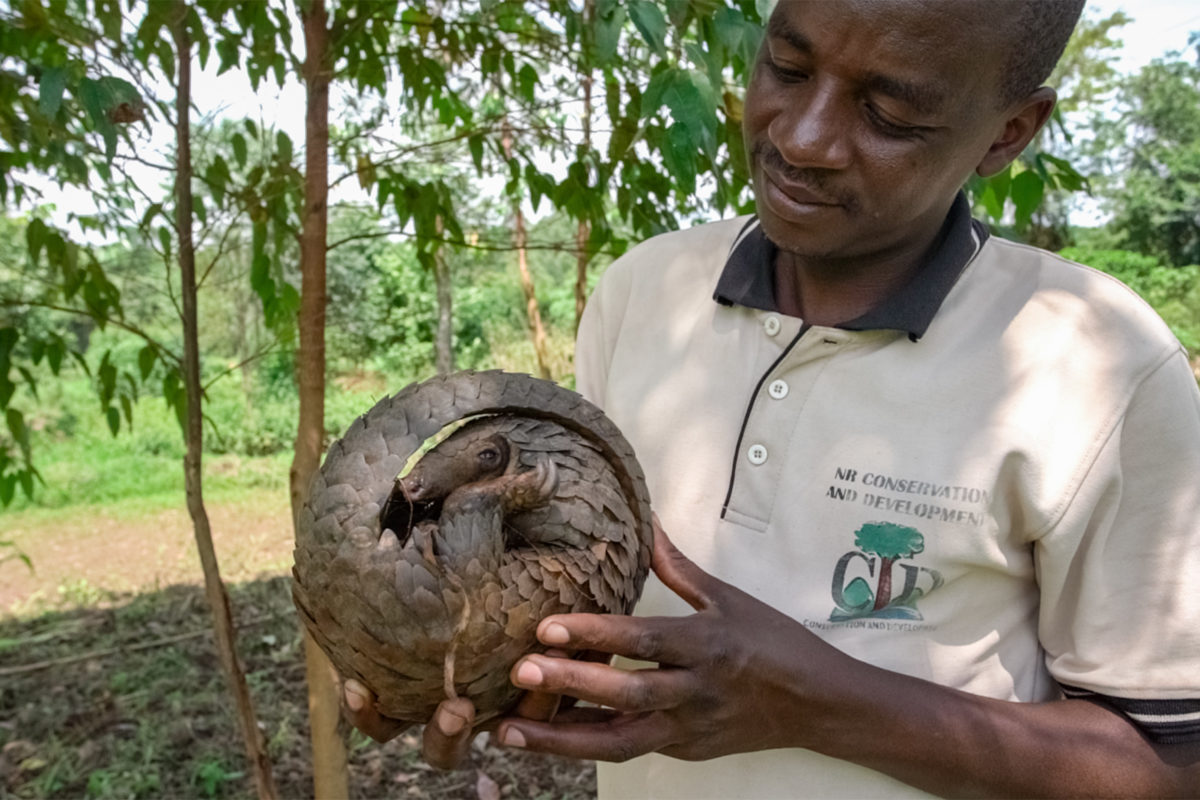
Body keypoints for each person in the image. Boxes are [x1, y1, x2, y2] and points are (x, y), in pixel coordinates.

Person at [346, 0, 1200, 795]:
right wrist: (455, 662)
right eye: (787, 68)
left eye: (889, 116)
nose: (803, 137)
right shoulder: (644, 293)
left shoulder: (1095, 361)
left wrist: (815, 704)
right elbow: (578, 581)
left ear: (1008, 133)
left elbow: (1171, 760)